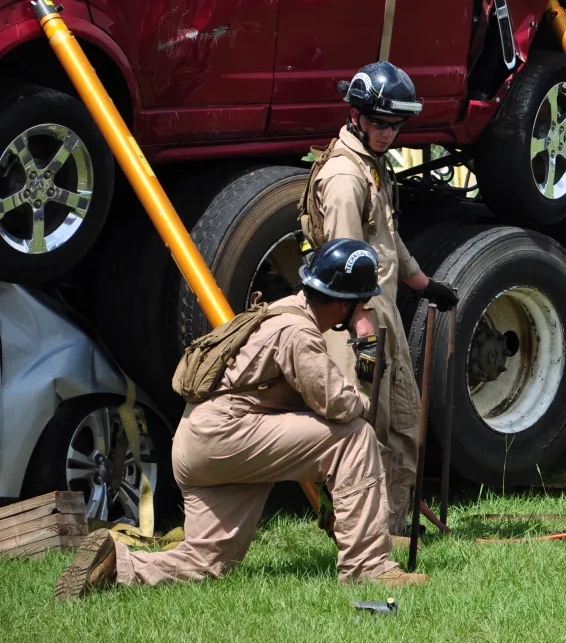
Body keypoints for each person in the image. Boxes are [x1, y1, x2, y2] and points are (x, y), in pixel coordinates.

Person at [54, 239, 427, 601]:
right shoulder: (297, 332)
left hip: (199, 443)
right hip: (227, 435)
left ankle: (115, 566)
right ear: (347, 303)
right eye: (360, 302)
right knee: (353, 437)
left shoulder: (283, 312)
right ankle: (368, 568)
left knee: (208, 561)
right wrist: (363, 393)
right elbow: (336, 405)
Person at [298, 62, 458, 537]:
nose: (389, 133)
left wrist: (423, 284)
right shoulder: (345, 178)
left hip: (381, 314)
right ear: (357, 116)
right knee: (369, 429)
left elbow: (387, 239)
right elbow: (346, 268)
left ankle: (392, 523)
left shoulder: (372, 167)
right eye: (381, 123)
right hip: (359, 327)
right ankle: (363, 530)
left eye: (396, 125)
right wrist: (364, 334)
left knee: (403, 423)